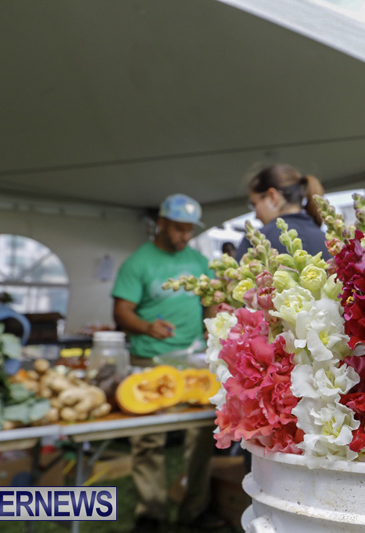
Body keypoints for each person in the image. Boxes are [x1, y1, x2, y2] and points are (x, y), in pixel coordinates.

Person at [112, 194, 224, 531]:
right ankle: (152, 513)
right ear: (160, 224)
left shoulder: (199, 261)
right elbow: (121, 312)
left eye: (189, 230)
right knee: (148, 439)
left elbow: (210, 302)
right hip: (149, 358)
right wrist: (146, 326)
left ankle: (195, 509)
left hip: (194, 360)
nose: (184, 236)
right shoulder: (138, 262)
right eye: (178, 229)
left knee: (201, 435)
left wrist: (214, 330)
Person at [235, 163, 330, 261]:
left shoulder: (255, 242)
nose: (256, 216)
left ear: (272, 197)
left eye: (254, 204)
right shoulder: (330, 243)